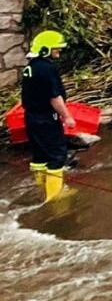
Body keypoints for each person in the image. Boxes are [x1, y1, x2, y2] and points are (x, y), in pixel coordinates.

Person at [21, 30, 76, 201]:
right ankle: (55, 197)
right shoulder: (47, 68)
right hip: (47, 118)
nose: (58, 52)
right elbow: (55, 97)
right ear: (45, 49)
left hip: (31, 117)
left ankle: (43, 190)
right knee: (57, 156)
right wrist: (67, 117)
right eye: (56, 49)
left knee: (40, 156)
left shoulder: (30, 67)